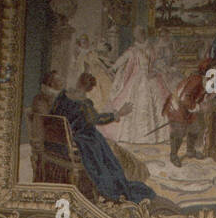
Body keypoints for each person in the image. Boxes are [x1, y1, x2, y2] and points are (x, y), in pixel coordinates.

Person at [46, 71, 156, 203]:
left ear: (78, 82)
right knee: (107, 158)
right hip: (81, 140)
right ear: (90, 88)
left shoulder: (62, 96)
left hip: (61, 140)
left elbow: (53, 115)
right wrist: (118, 113)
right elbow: (96, 119)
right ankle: (114, 188)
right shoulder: (83, 103)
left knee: (105, 148)